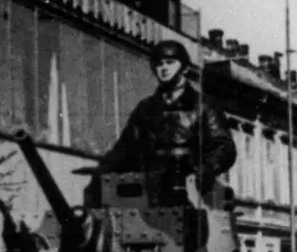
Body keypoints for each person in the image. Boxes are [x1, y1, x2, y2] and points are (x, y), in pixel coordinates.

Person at [98, 40, 237, 209]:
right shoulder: (146, 109)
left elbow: (224, 146)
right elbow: (125, 148)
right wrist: (103, 170)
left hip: (193, 190)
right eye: (159, 64)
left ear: (185, 68)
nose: (163, 68)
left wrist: (205, 169)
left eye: (170, 63)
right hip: (149, 191)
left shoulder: (203, 106)